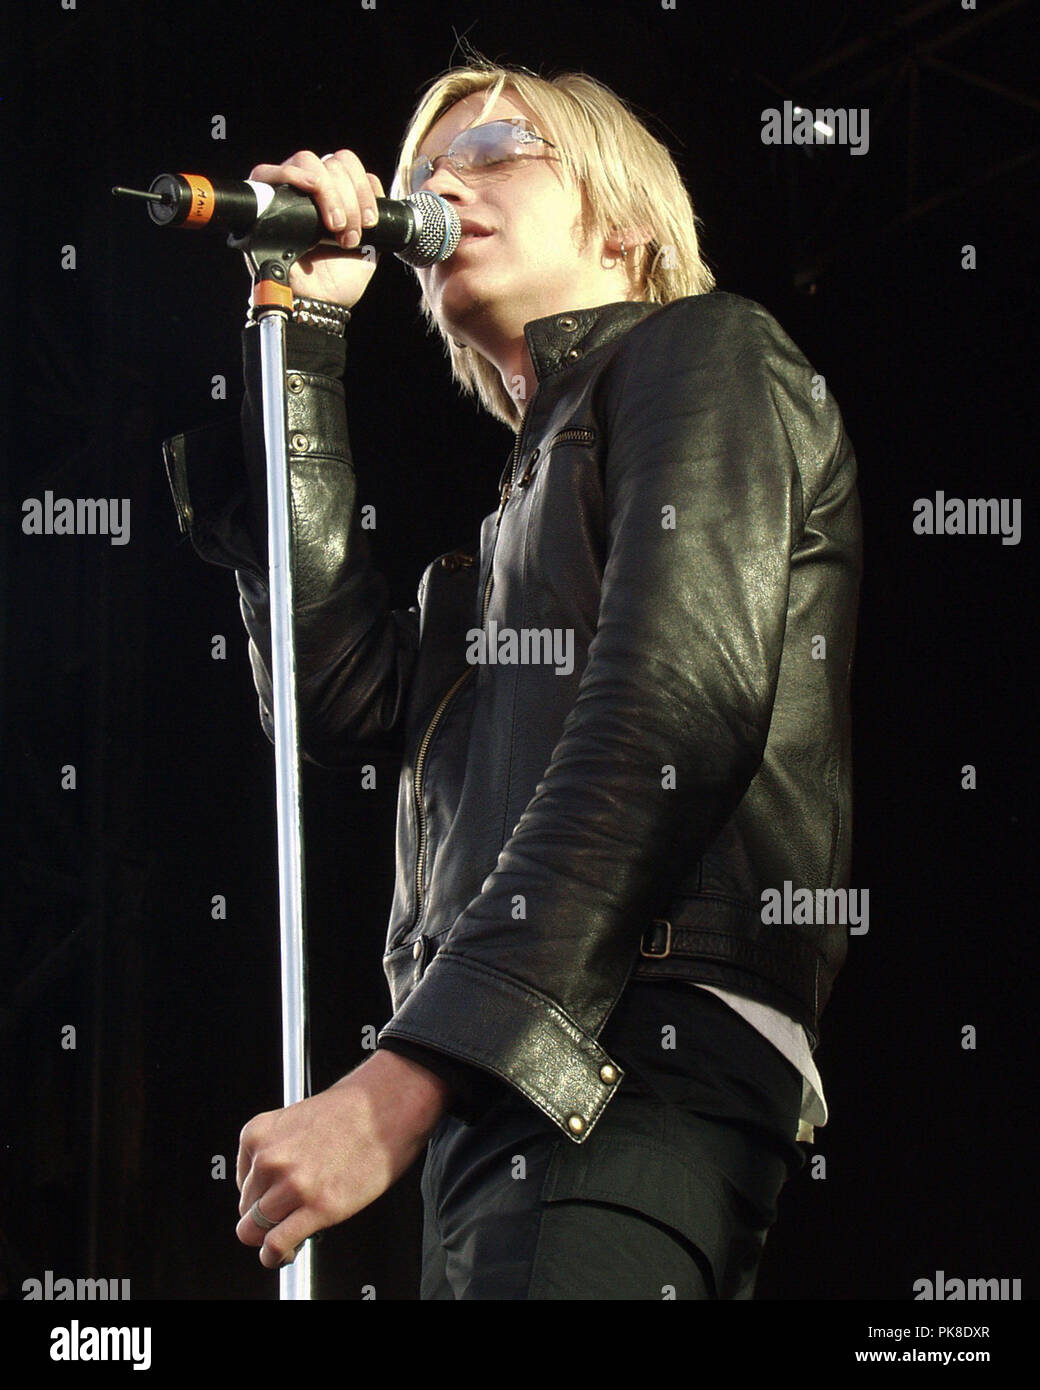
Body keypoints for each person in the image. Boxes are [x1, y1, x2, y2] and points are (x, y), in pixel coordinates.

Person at [161, 56, 862, 1299]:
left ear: (623, 219)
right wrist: (304, 327)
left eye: (493, 154)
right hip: (512, 1067)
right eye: (424, 172)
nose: (437, 187)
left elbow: (671, 712)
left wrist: (399, 1077)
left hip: (624, 1054)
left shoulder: (708, 353)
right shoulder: (490, 558)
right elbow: (330, 701)